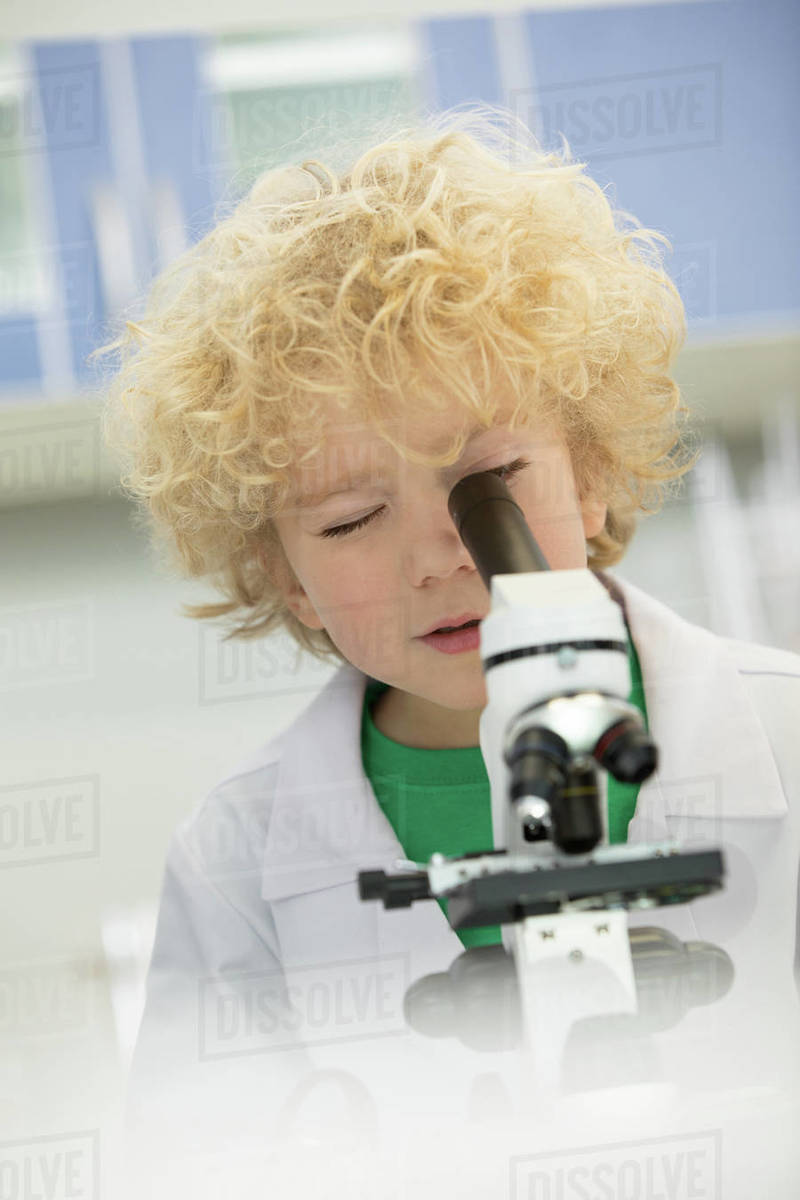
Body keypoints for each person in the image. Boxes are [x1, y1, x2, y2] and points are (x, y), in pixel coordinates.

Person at [94, 103, 800, 1198]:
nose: (440, 557)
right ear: (283, 573)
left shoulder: (783, 735)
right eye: (345, 519)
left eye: (490, 486)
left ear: (592, 466)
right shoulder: (234, 864)